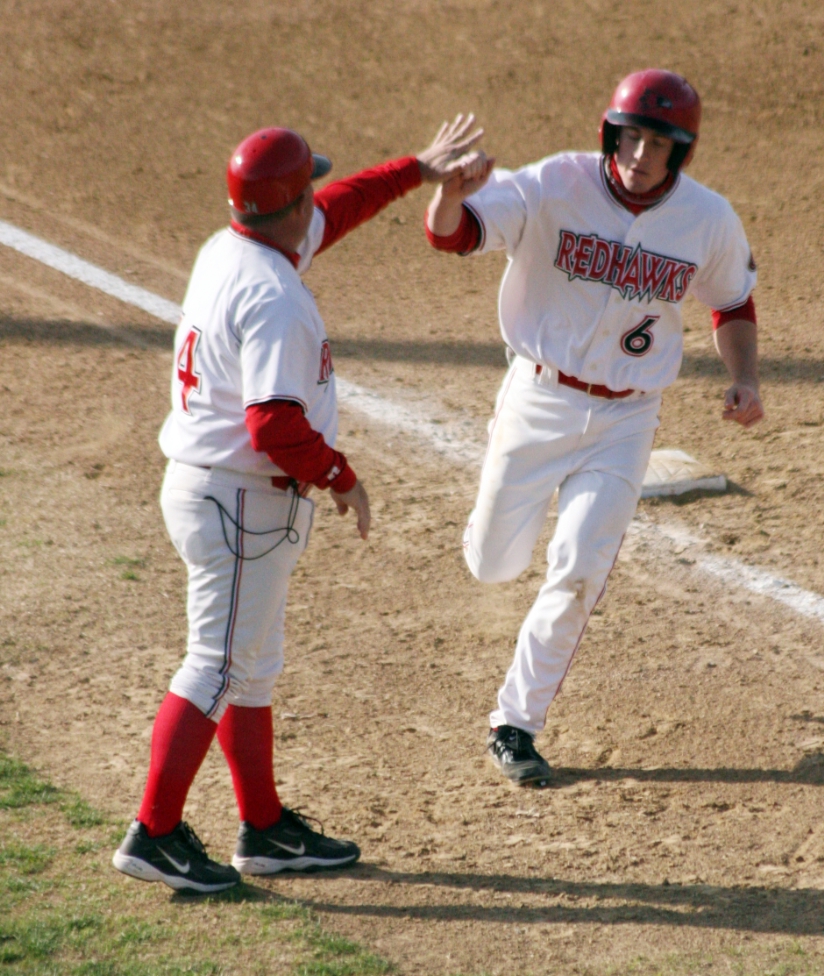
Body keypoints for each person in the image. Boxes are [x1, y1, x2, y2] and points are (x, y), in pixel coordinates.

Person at [113, 117, 482, 891]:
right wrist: (342, 476)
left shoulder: (233, 246)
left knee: (250, 669)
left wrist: (413, 169)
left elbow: (334, 210)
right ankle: (153, 832)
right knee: (215, 667)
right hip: (241, 499)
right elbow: (274, 421)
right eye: (306, 186)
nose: (318, 197)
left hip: (215, 491)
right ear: (288, 203)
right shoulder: (274, 295)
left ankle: (265, 826)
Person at [425, 70, 764, 785]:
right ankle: (497, 528)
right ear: (612, 133)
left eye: (659, 143)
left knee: (578, 566)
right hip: (538, 400)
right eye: (632, 136)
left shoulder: (708, 220)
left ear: (682, 152)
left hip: (626, 416)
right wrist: (449, 197)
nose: (642, 154)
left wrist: (745, 379)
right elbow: (456, 237)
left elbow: (732, 303)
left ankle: (515, 722)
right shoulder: (554, 184)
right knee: (493, 563)